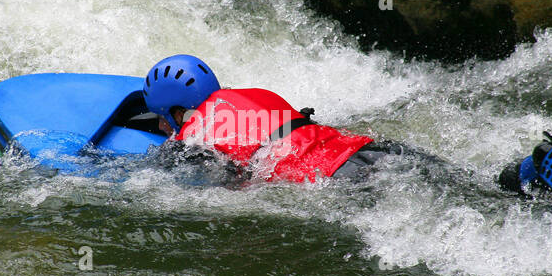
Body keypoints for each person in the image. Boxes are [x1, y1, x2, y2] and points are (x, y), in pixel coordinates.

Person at [141, 54, 381, 184]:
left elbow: (153, 177)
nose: (162, 126)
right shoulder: (254, 94)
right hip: (369, 149)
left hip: (338, 177)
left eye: (163, 117)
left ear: (179, 112)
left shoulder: (194, 133)